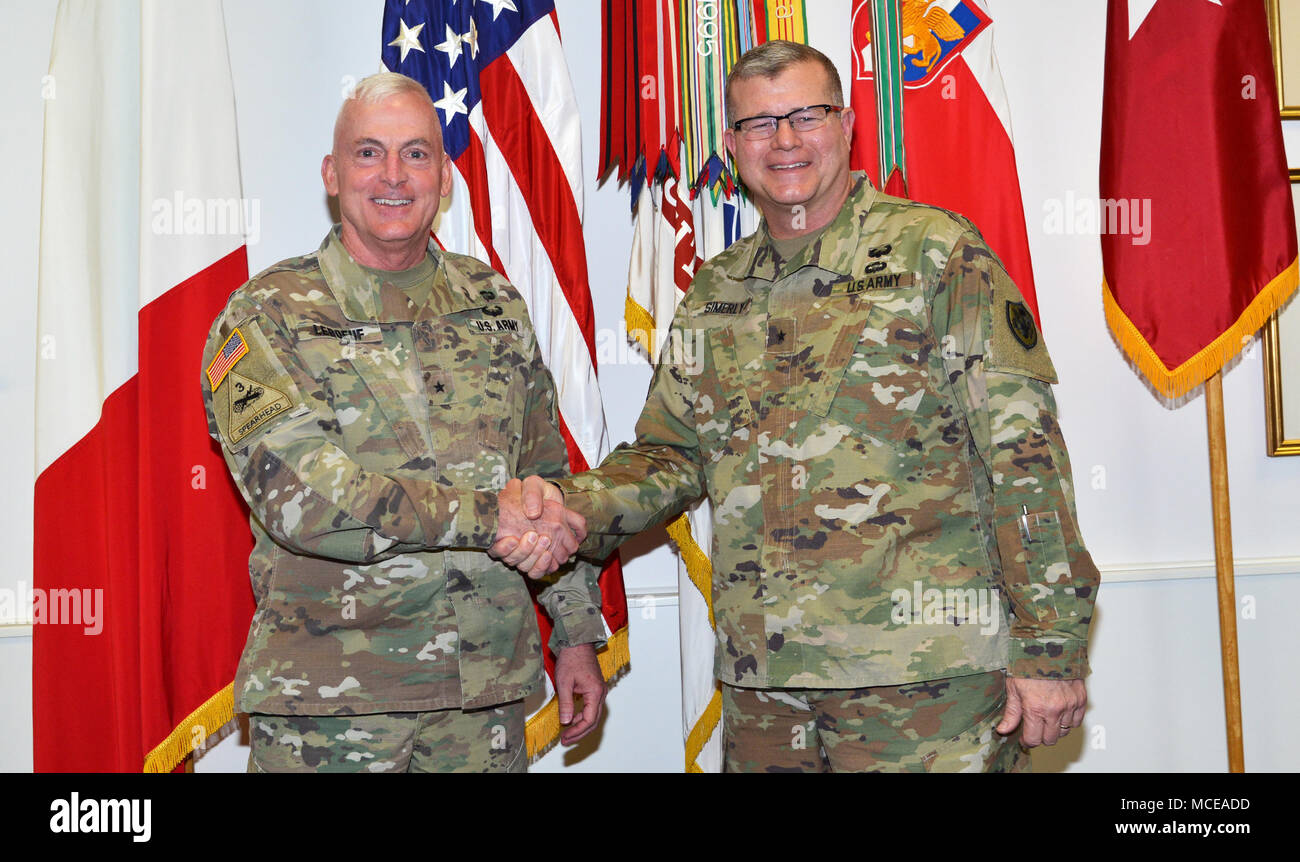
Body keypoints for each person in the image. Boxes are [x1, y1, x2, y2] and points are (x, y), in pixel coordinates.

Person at [498, 40, 1099, 772]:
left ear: (847, 126)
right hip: (766, 690)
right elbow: (667, 454)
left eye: (806, 116)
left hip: (925, 682)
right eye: (759, 124)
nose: (784, 140)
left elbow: (1024, 456)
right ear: (731, 146)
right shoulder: (717, 291)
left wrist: (1051, 647)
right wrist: (571, 508)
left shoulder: (936, 255)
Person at [200, 72, 606, 773]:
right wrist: (492, 518)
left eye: (416, 154)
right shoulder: (263, 315)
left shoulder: (493, 304)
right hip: (332, 708)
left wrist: (574, 631)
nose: (393, 175)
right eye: (368, 153)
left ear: (444, 178)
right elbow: (309, 503)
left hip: (485, 704)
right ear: (332, 174)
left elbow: (545, 475)